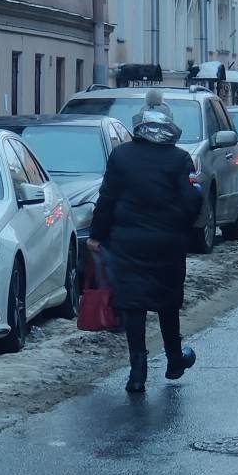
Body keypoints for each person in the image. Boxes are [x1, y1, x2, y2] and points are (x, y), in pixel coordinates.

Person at [86, 89, 202, 394]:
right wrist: (181, 228)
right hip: (167, 245)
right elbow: (193, 202)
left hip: (128, 244)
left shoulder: (121, 156)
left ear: (138, 125)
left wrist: (97, 235)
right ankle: (175, 360)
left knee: (133, 304)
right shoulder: (181, 159)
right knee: (167, 303)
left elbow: (106, 199)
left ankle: (138, 372)